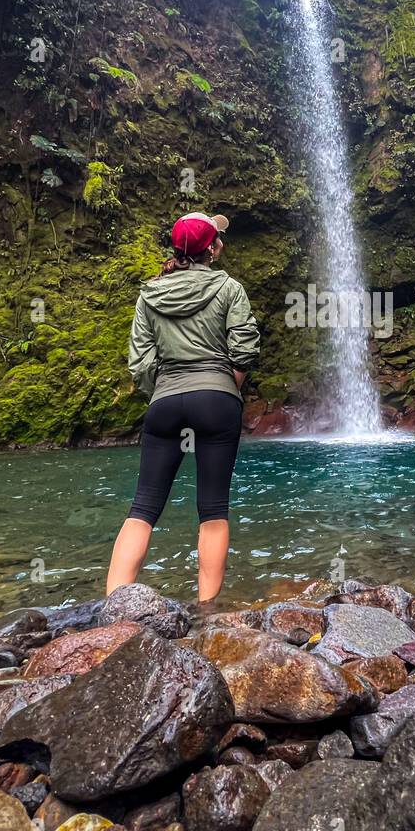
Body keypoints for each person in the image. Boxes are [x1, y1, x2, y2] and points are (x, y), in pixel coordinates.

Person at [106, 211, 260, 601]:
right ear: (213, 248)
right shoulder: (230, 289)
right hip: (217, 402)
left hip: (166, 404)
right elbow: (244, 349)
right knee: (213, 510)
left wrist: (165, 389)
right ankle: (206, 611)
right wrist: (227, 387)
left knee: (142, 507)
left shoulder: (149, 294)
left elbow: (140, 363)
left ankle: (114, 606)